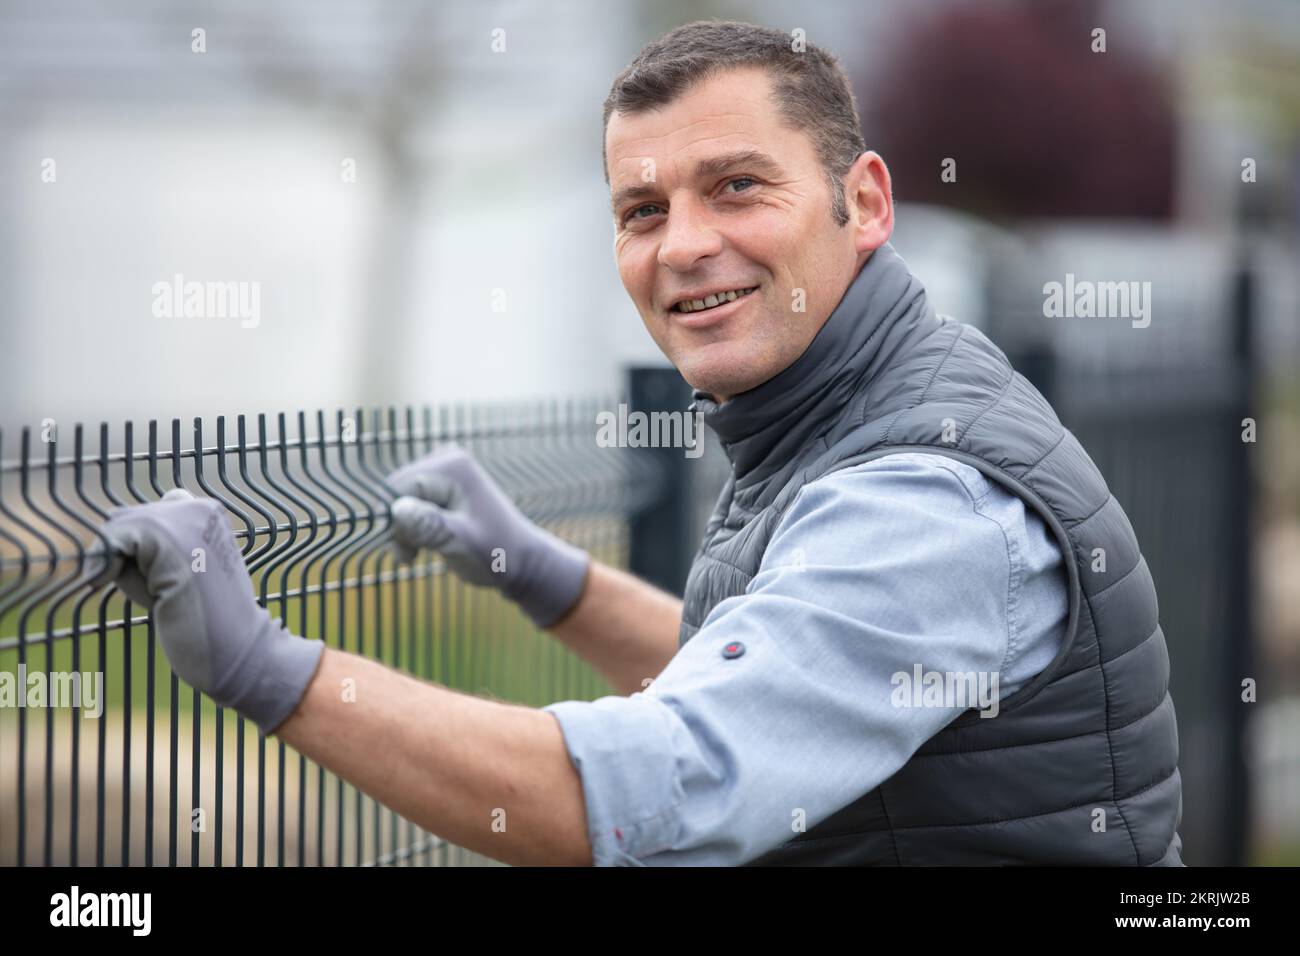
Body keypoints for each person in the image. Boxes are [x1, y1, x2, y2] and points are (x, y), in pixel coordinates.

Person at [88, 20, 1183, 866]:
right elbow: (781, 680)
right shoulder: (862, 397)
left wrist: (268, 668)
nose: (686, 245)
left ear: (865, 200)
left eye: (736, 186)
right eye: (642, 209)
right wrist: (551, 578)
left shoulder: (923, 498)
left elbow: (656, 791)